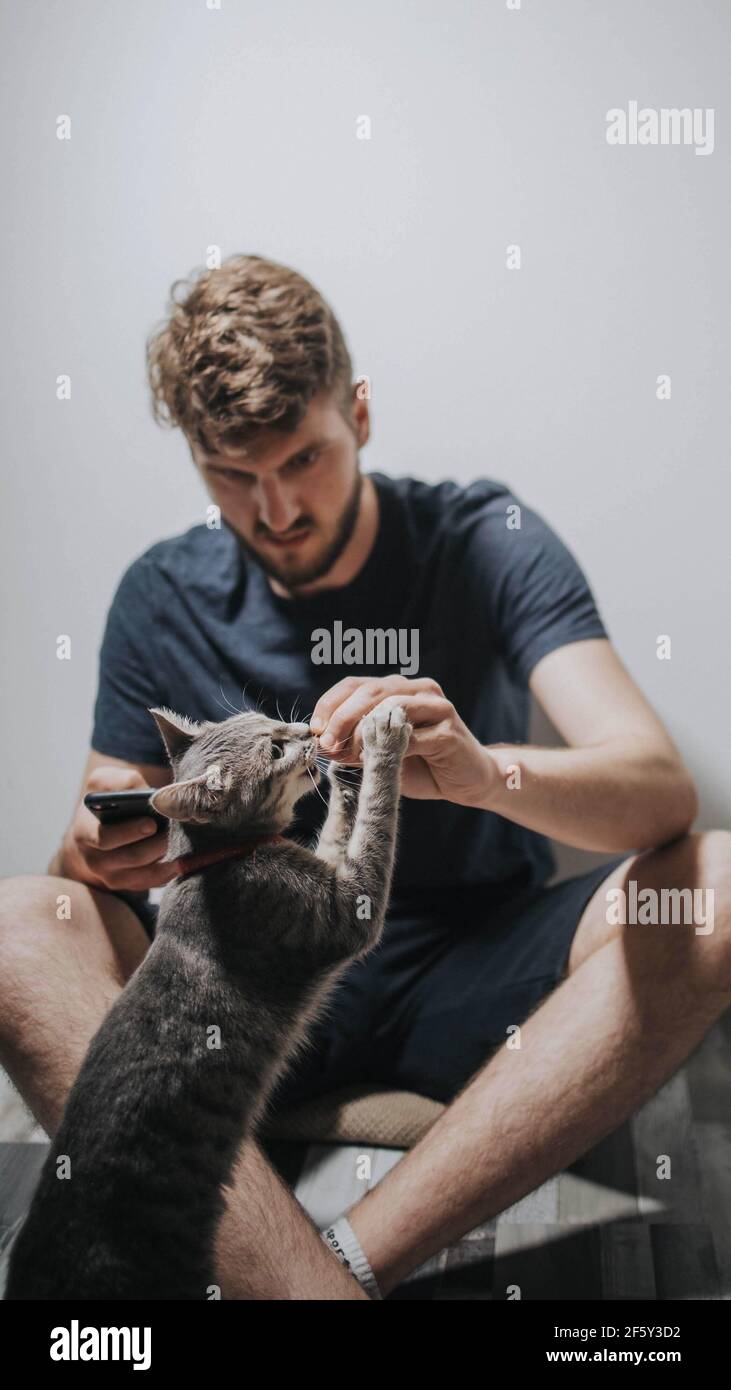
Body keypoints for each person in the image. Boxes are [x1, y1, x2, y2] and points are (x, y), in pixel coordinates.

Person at [1, 254, 729, 1301]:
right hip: (242, 987)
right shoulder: (160, 592)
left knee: (711, 882)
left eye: (304, 456)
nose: (277, 509)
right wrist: (106, 843)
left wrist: (483, 774)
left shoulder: (484, 539)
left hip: (471, 968)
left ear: (362, 413)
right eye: (231, 475)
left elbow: (658, 791)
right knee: (24, 919)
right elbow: (91, 847)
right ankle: (308, 1288)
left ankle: (339, 1267)